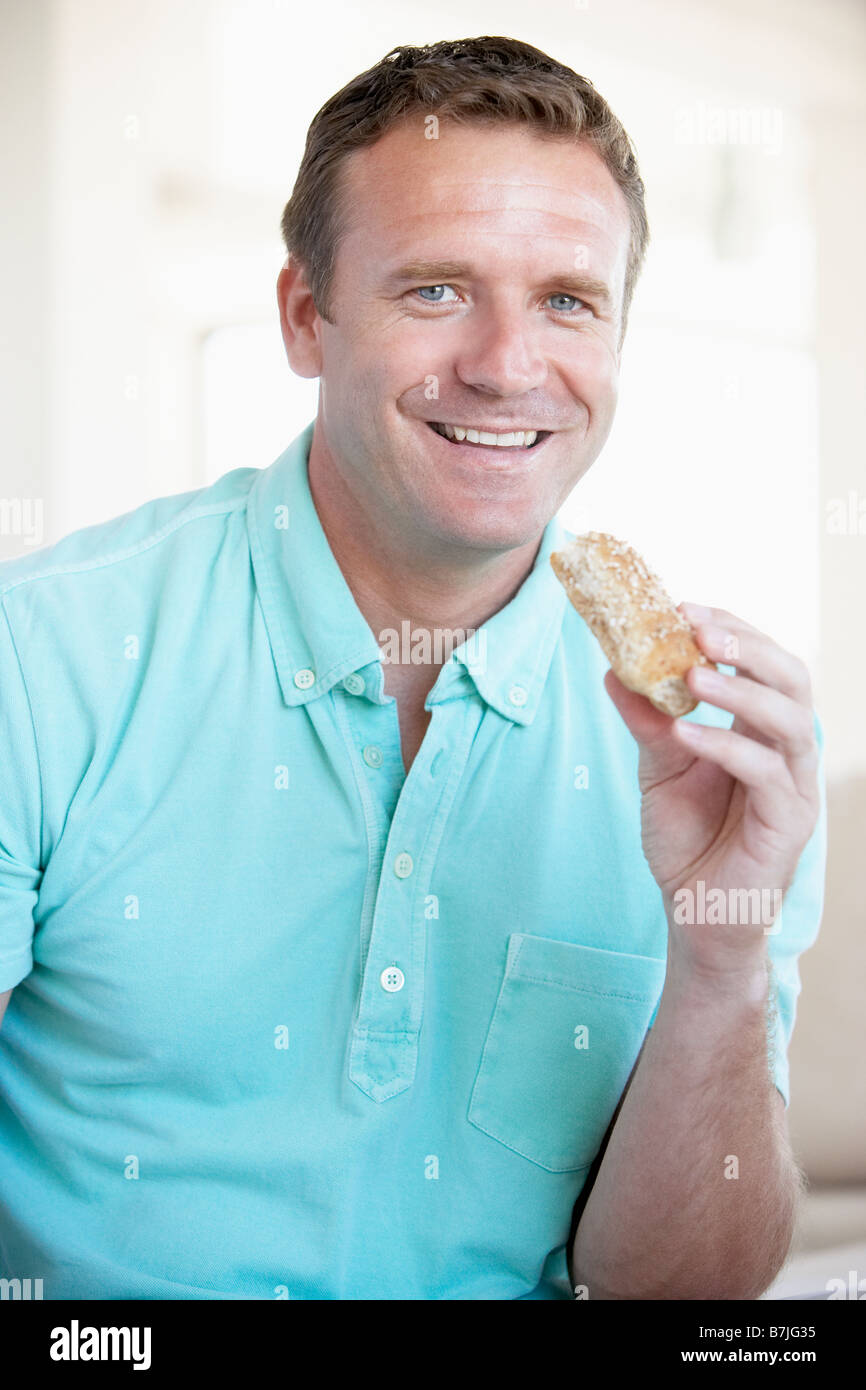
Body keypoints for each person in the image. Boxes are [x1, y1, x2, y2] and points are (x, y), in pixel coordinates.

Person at [0, 36, 825, 1301]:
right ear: (302, 317)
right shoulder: (41, 658)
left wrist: (717, 955)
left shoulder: (723, 742)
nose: (505, 365)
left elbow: (681, 1304)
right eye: (435, 290)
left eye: (565, 300)